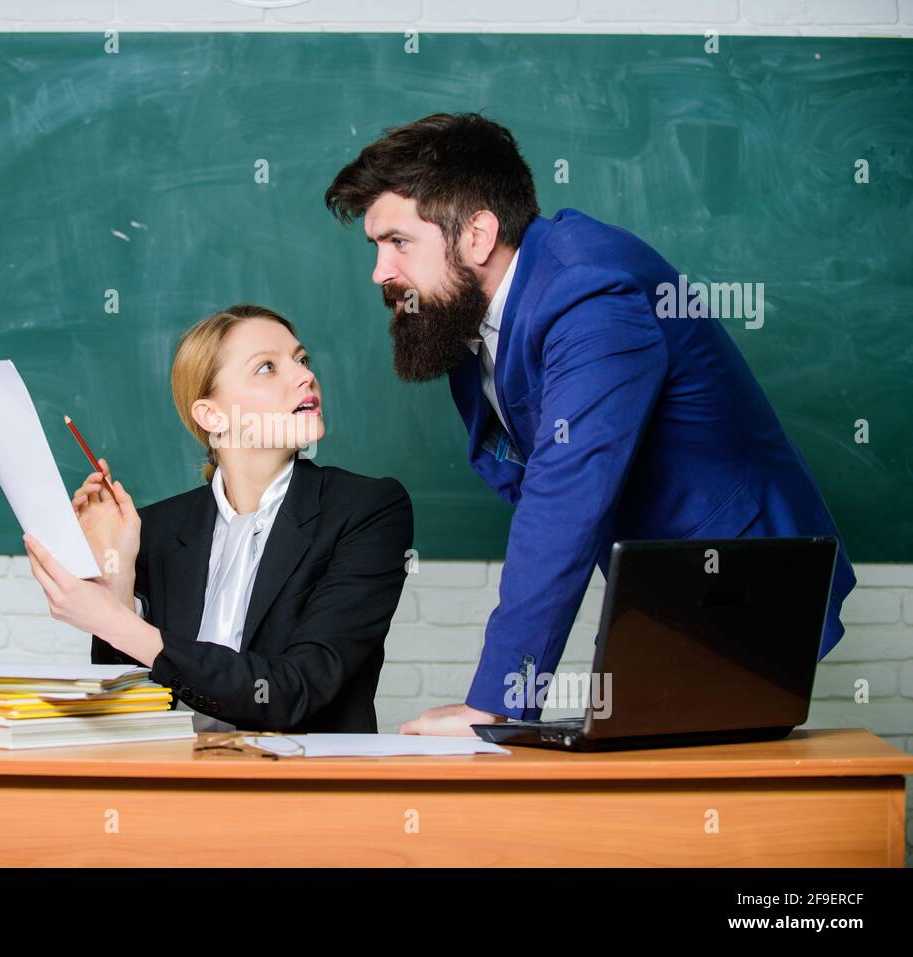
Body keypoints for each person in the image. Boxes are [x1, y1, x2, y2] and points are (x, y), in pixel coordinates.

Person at [322, 111, 856, 735]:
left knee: (693, 789)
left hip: (741, 576)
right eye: (376, 247)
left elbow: (565, 493)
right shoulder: (466, 317)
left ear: (477, 235)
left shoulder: (588, 291)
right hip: (655, 580)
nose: (380, 272)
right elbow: (526, 472)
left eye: (398, 242)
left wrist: (496, 703)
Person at [23, 304, 414, 733]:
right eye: (267, 367)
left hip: (299, 789)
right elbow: (128, 711)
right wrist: (117, 584)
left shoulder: (366, 510)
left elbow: (295, 689)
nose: (305, 376)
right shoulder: (153, 531)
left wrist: (114, 622)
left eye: (301, 360)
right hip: (175, 783)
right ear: (212, 416)